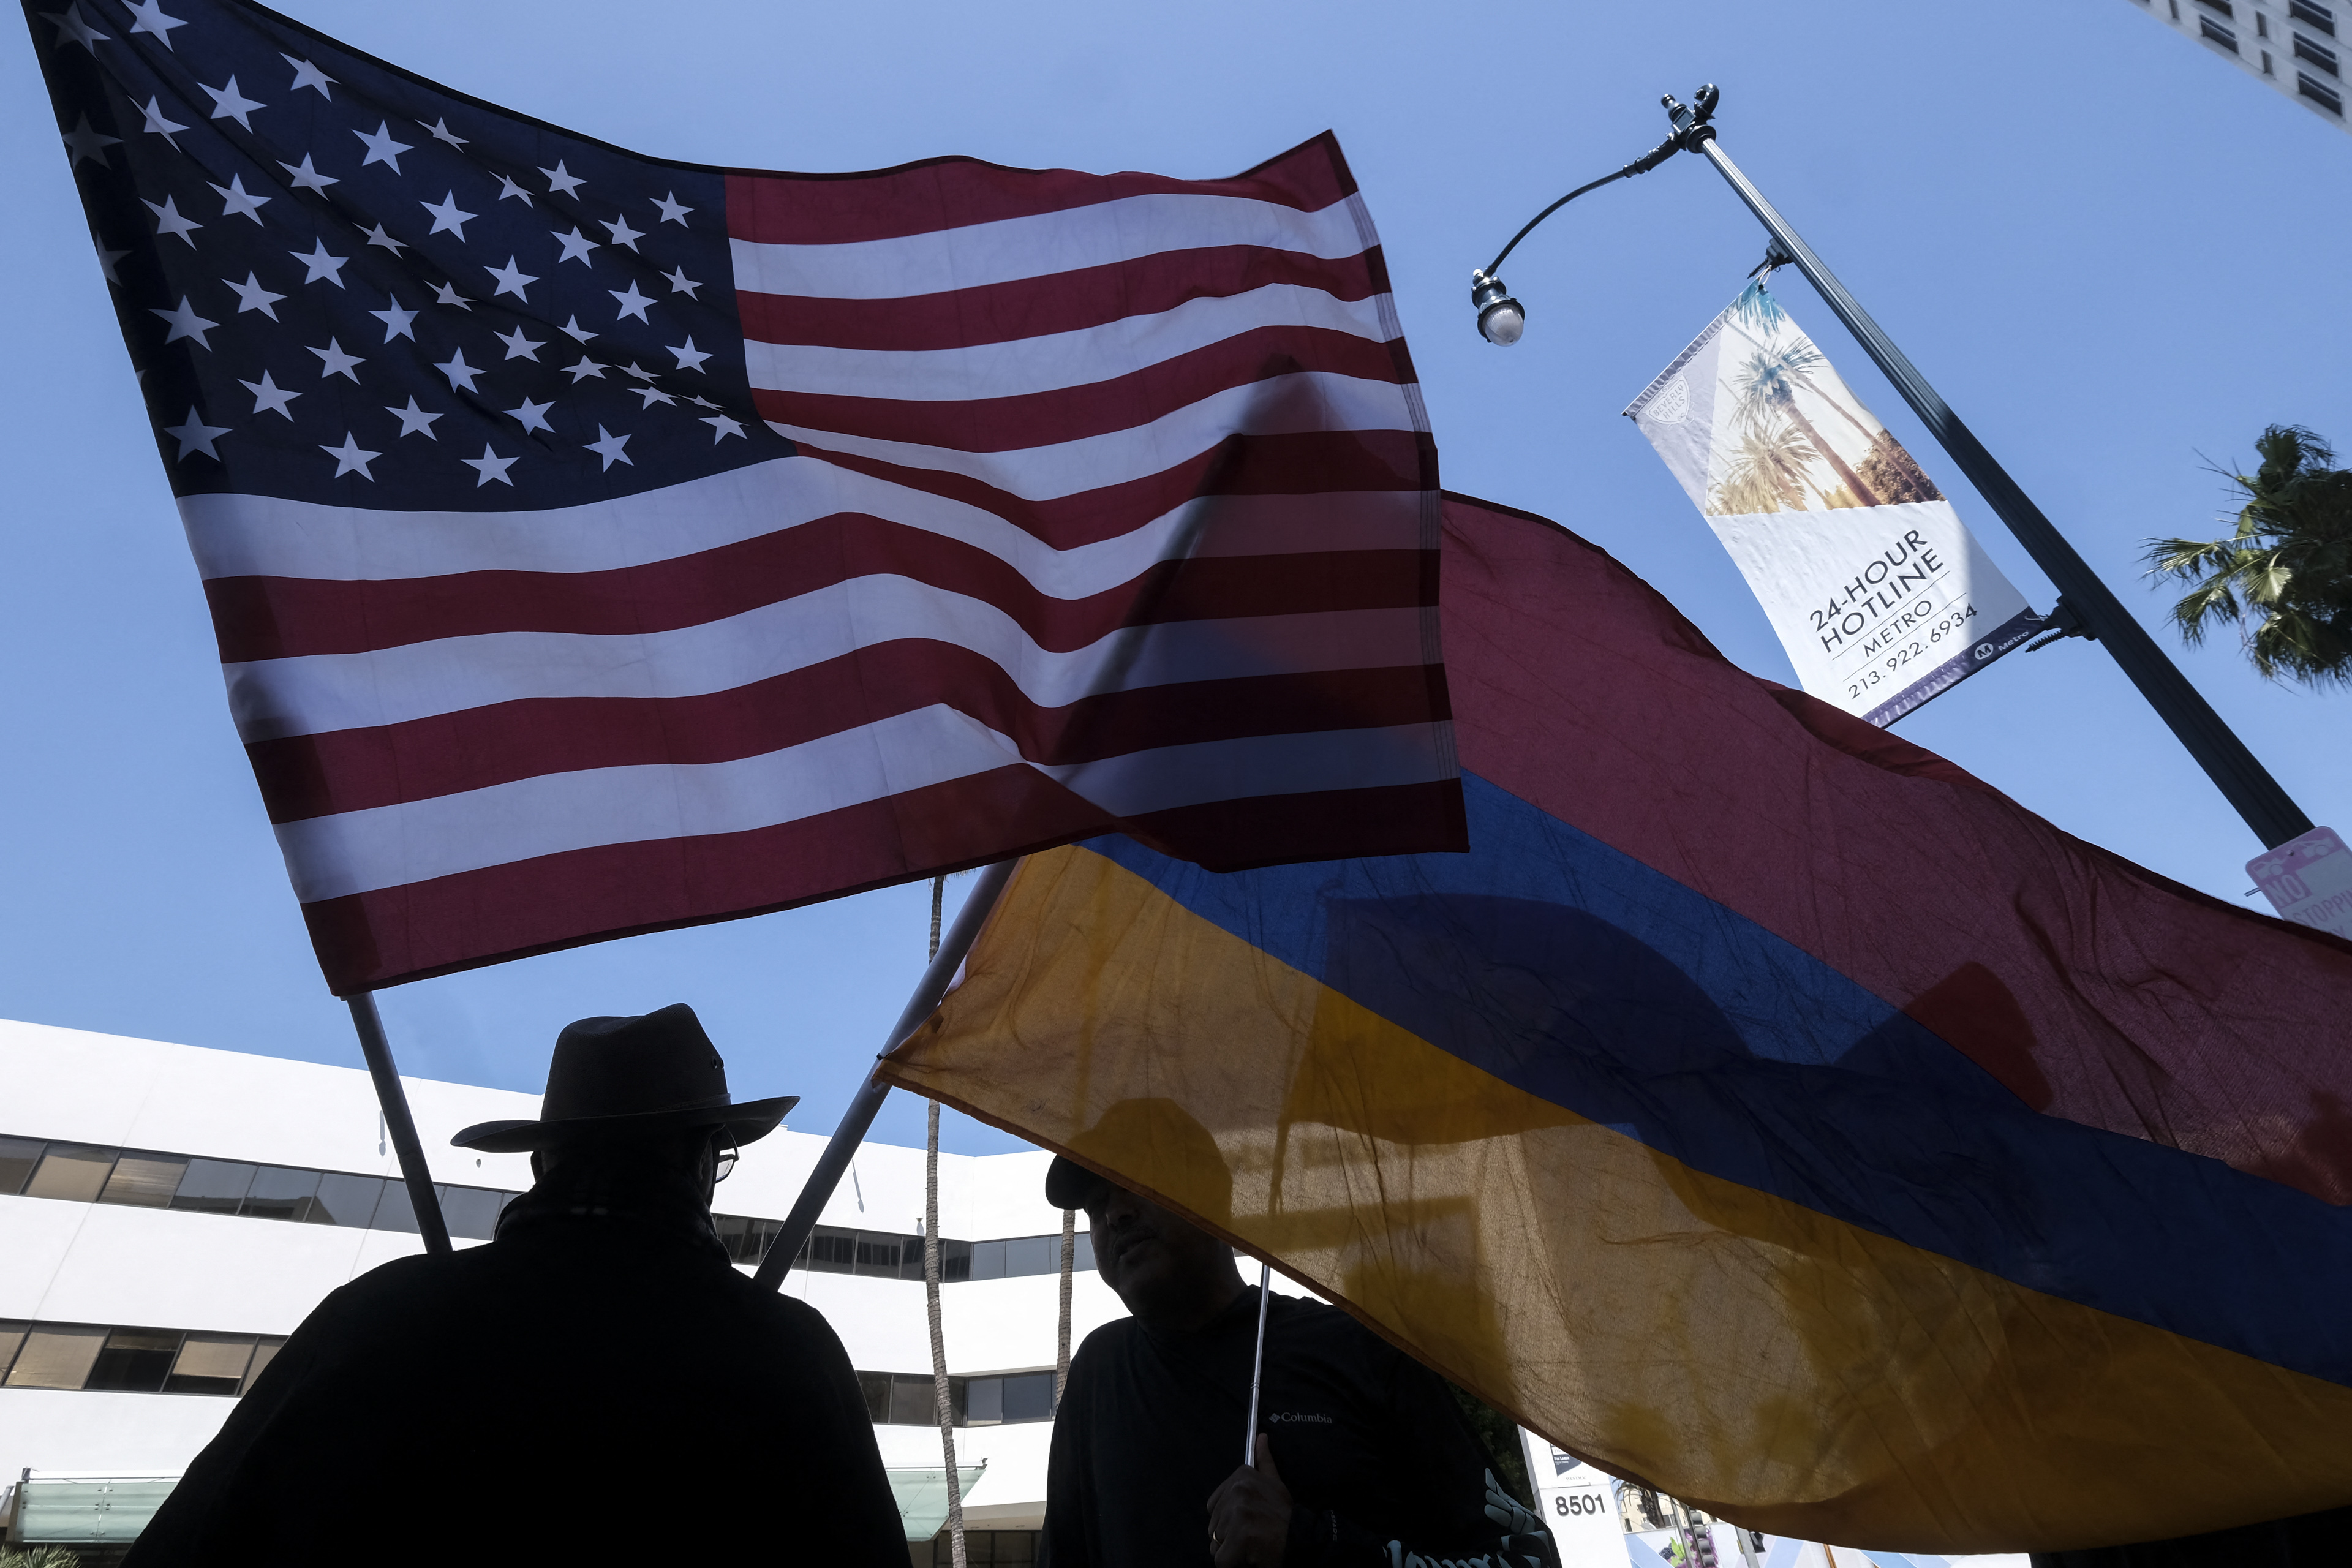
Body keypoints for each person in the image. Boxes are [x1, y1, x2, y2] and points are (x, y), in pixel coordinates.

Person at [127, 1005, 908, 1566]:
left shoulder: (375, 1317)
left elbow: (198, 1540)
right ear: (700, 1160)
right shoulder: (784, 1352)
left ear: (543, 1159)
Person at [1038, 1115, 1558, 1568]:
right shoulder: (1097, 1375)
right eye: (1096, 1203)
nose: (1114, 1214)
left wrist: (1317, 1542)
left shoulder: (1363, 1348)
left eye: (1134, 1179)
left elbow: (1527, 1556)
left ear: (1212, 1192)